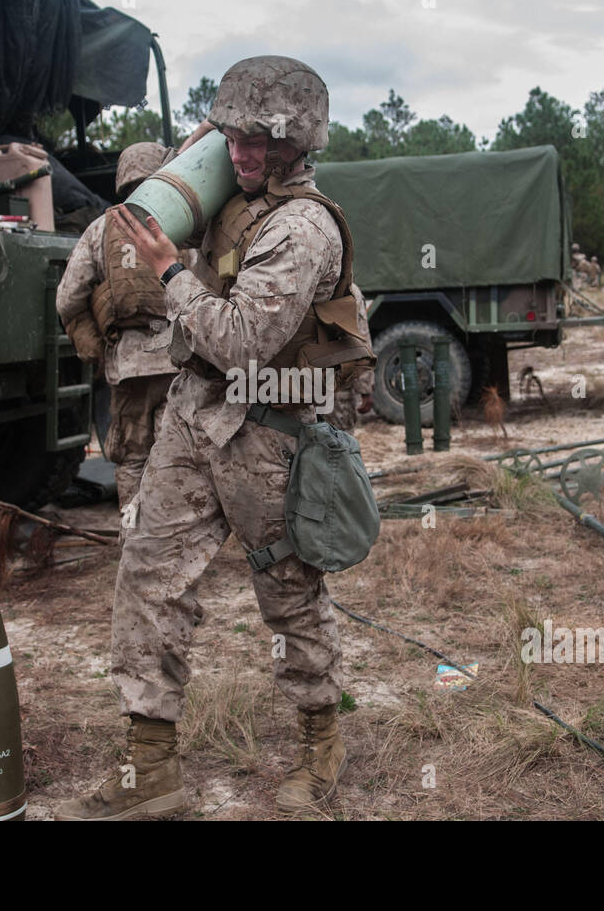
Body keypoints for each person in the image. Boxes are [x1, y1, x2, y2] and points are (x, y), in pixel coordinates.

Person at [57, 56, 373, 821]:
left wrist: (170, 272)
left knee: (291, 595)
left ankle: (318, 748)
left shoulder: (302, 228)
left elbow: (242, 341)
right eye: (231, 136)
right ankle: (152, 768)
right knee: (148, 573)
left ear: (299, 145)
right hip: (192, 416)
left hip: (271, 435)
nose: (240, 154)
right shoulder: (228, 186)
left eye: (259, 142)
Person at [55, 142, 194, 509]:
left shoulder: (102, 229)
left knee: (132, 456)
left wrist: (97, 349)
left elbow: (67, 299)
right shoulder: (182, 224)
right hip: (178, 360)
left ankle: (134, 537)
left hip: (128, 365)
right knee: (176, 454)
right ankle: (171, 539)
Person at [328, 283, 374, 429]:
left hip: (302, 384)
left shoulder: (304, 282)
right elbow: (359, 341)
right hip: (337, 388)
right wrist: (365, 389)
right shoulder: (348, 290)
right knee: (340, 442)